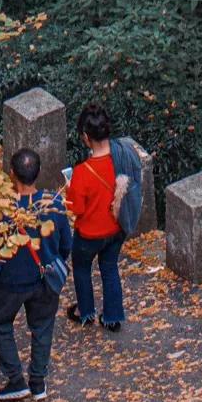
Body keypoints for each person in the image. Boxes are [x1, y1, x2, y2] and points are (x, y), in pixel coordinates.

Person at [0, 148, 73, 402]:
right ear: (38, 173)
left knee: (0, 324)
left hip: (10, 283)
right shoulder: (54, 204)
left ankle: (15, 379)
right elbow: (66, 244)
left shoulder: (3, 211)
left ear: (11, 173)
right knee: (42, 329)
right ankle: (38, 382)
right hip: (45, 279)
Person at [65, 103, 128, 332]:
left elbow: (77, 209)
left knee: (81, 268)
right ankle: (112, 317)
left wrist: (70, 189)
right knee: (109, 268)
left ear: (85, 137)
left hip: (89, 233)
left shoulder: (82, 172)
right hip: (116, 228)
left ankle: (86, 311)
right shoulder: (121, 160)